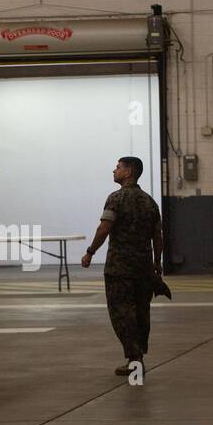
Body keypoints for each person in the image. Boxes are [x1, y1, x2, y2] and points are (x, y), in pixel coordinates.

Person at [81, 156, 163, 376]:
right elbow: (158, 235)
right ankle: (138, 357)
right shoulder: (149, 201)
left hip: (120, 269)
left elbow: (104, 228)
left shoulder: (116, 198)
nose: (114, 171)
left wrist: (90, 251)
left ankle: (134, 360)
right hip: (144, 268)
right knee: (141, 313)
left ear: (128, 172)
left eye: (118, 167)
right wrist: (157, 263)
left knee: (122, 313)